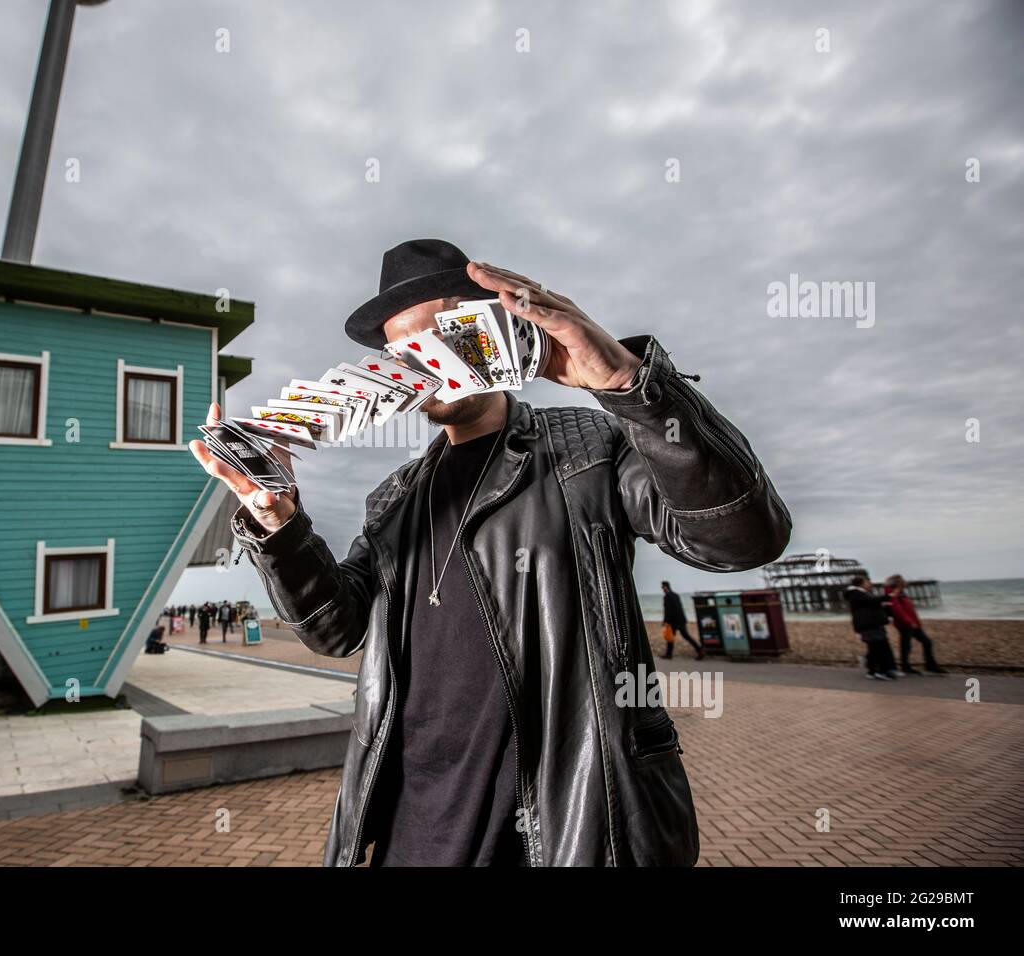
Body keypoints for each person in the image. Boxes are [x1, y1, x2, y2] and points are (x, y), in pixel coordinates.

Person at [190, 238, 791, 867]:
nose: (421, 361)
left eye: (441, 334)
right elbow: (333, 630)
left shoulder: (590, 449)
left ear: (494, 331)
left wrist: (630, 387)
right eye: (402, 351)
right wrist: (277, 519)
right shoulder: (393, 500)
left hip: (562, 827)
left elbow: (742, 538)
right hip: (411, 830)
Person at [885, 575, 946, 674]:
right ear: (898, 583)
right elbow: (897, 610)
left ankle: (929, 665)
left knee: (924, 642)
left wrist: (915, 622)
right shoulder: (893, 594)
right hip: (905, 624)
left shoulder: (900, 593)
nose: (905, 583)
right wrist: (909, 622)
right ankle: (907, 666)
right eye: (902, 581)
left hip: (912, 623)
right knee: (907, 645)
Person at [845, 575, 899, 680]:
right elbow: (871, 601)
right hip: (869, 625)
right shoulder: (856, 594)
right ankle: (876, 671)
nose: (870, 584)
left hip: (872, 624)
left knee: (877, 647)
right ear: (860, 584)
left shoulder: (860, 594)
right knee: (876, 647)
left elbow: (871, 602)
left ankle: (876, 670)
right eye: (867, 582)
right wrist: (889, 596)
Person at [661, 581, 703, 660]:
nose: (662, 589)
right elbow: (679, 608)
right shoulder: (676, 595)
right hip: (681, 619)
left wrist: (665, 621)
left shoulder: (667, 596)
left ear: (666, 587)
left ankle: (699, 650)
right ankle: (669, 654)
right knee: (680, 636)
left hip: (673, 621)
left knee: (672, 637)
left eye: (662, 587)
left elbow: (668, 610)